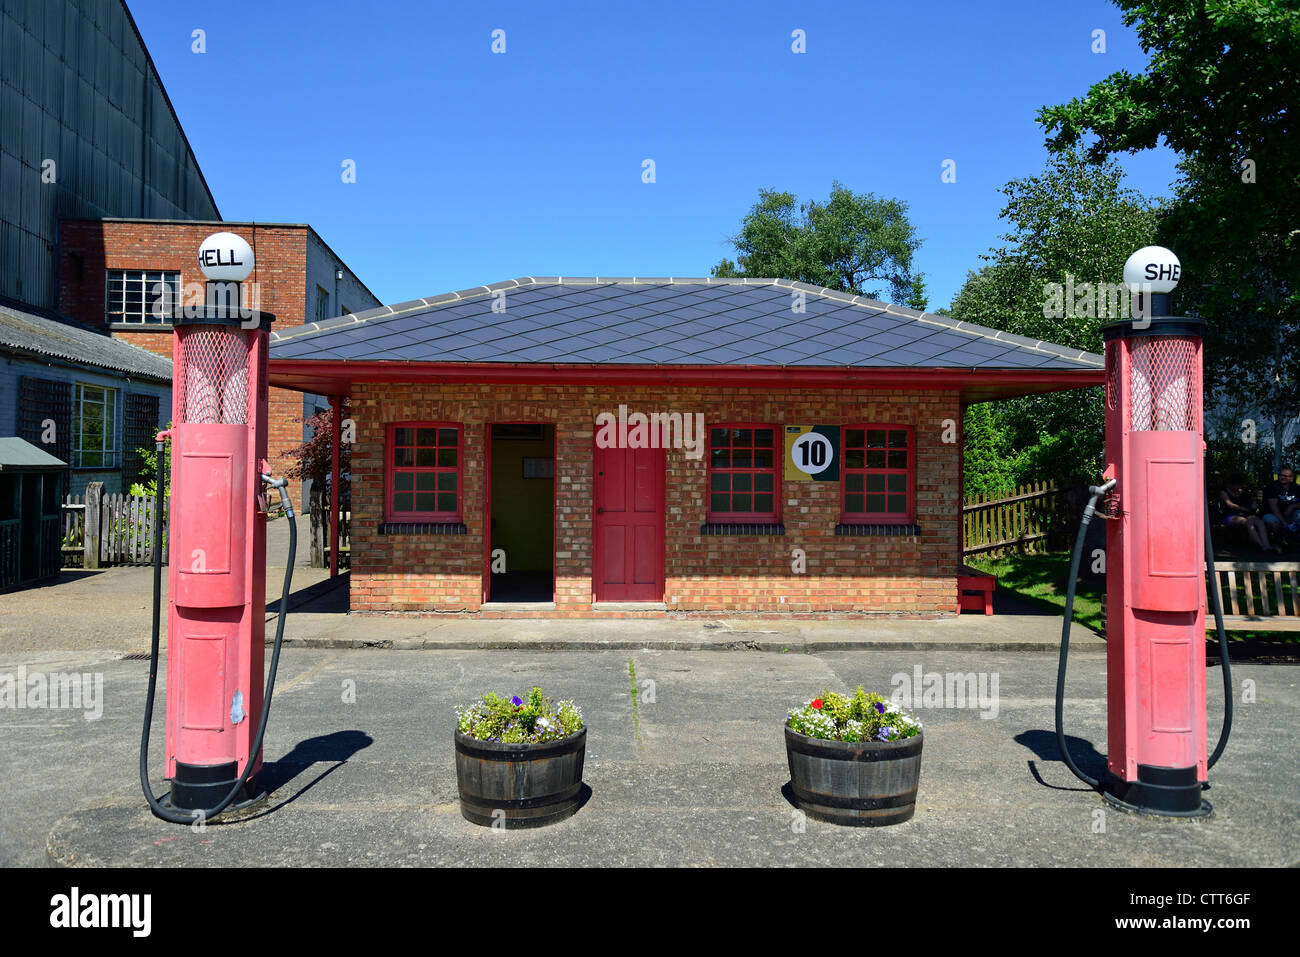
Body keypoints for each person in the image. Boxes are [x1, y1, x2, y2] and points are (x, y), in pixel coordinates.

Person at [1218, 475, 1278, 553]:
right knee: (1248, 522)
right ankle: (1262, 546)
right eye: (1235, 485)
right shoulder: (1224, 492)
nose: (1238, 487)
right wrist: (1246, 509)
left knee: (1259, 522)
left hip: (1245, 515)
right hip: (1230, 516)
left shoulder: (1244, 493)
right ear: (1229, 484)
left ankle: (1267, 545)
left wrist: (1254, 505)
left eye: (1239, 485)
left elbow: (1252, 507)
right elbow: (1230, 505)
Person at [1261, 466, 1300, 545]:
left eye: (1285, 476)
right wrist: (1284, 522)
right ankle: (1280, 541)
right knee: (1273, 522)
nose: (1282, 477)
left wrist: (1292, 506)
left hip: (1290, 514)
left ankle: (1293, 539)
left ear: (1291, 478)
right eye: (1280, 475)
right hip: (1272, 514)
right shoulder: (1272, 487)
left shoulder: (1296, 488)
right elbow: (1273, 507)